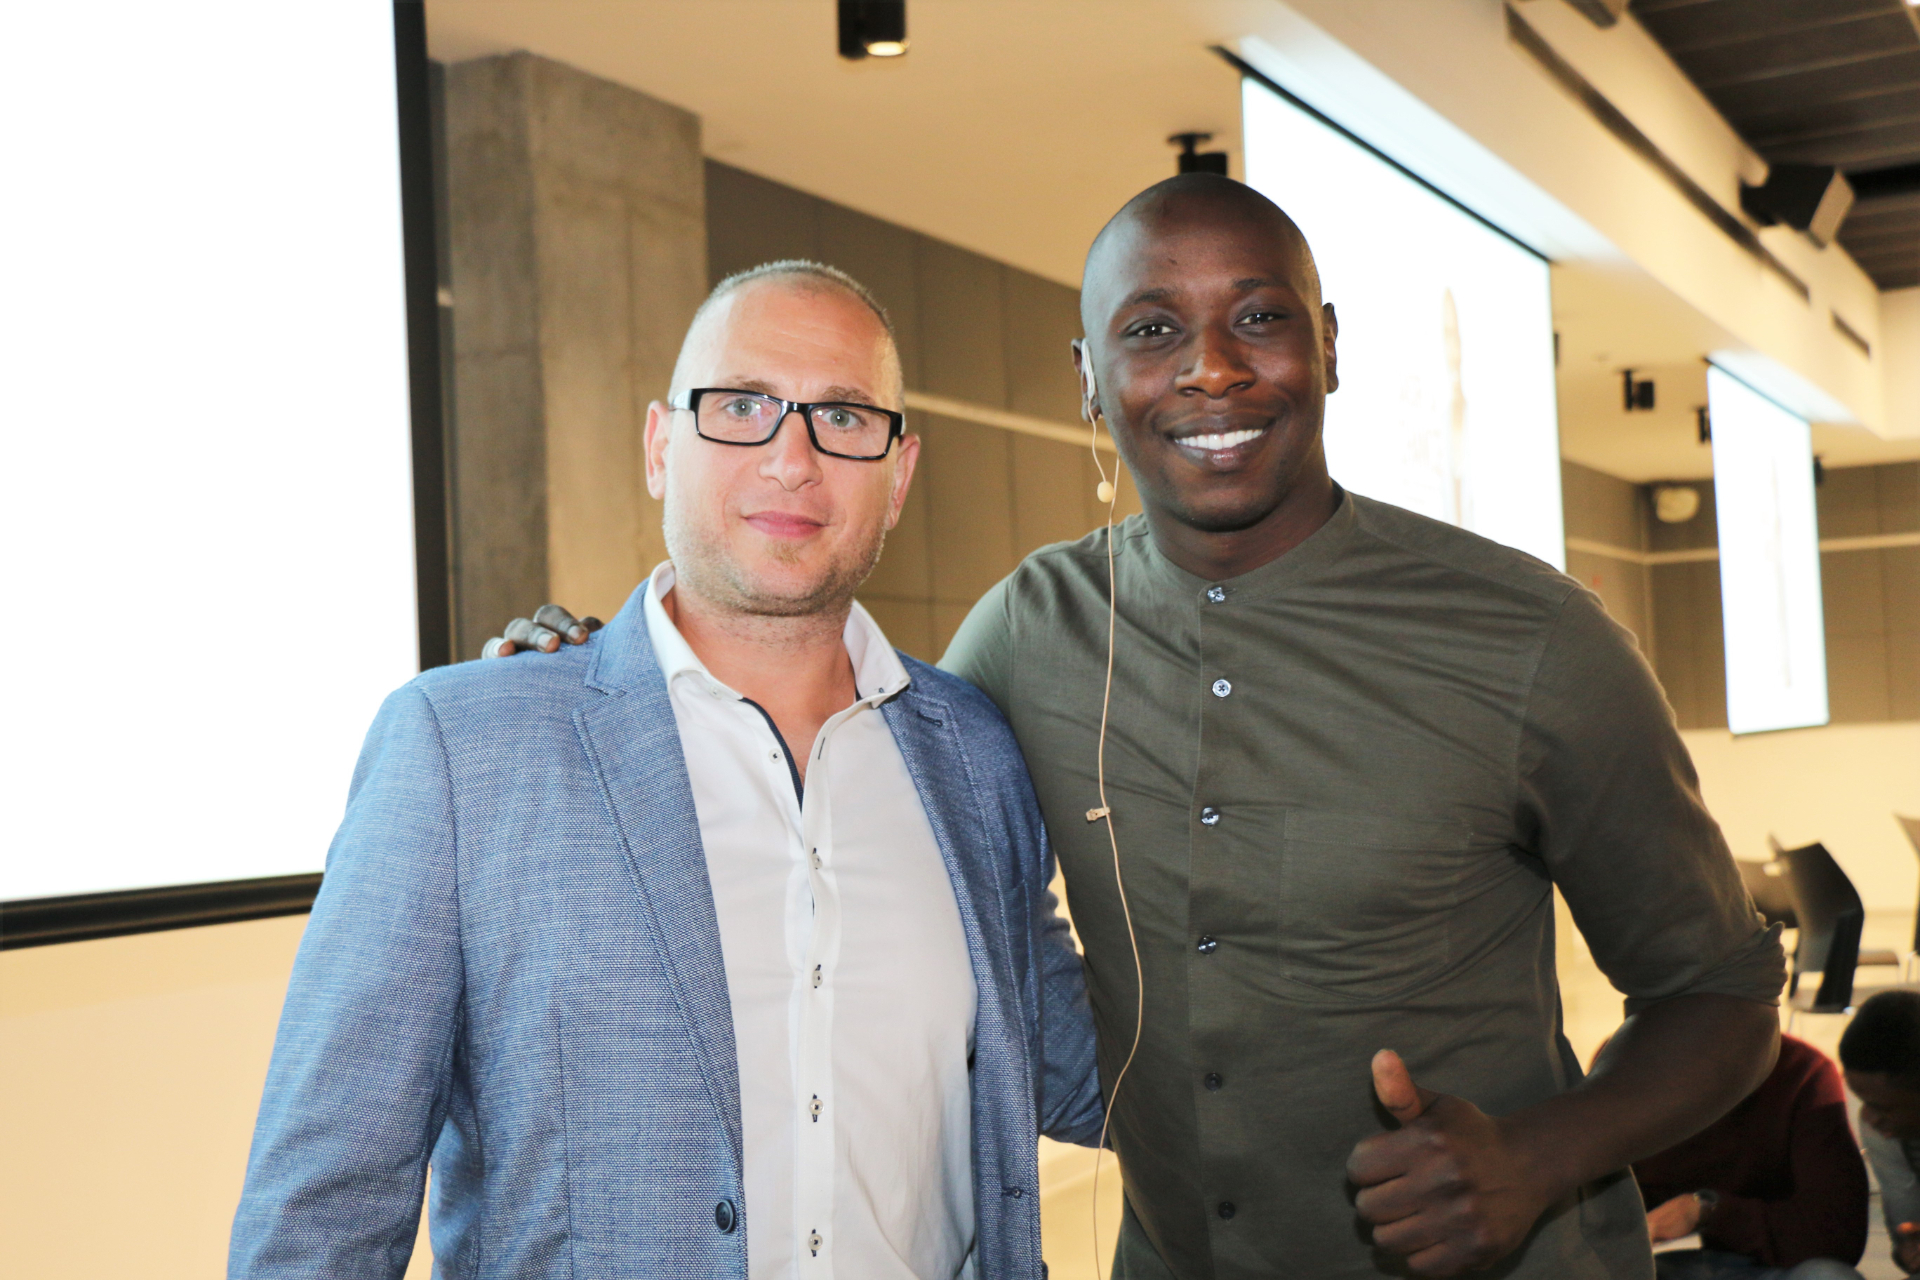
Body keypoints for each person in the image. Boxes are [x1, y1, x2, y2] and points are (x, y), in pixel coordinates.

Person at [495, 175, 1786, 1279]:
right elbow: (837, 748)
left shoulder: (1532, 640)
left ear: (1330, 344)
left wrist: (1539, 1154)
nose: (1211, 367)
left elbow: (1724, 994)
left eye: (1260, 317)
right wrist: (601, 675)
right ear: (1089, 379)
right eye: (1154, 328)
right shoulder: (1033, 628)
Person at [229, 261, 1104, 1280]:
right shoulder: (463, 751)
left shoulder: (976, 755)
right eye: (742, 405)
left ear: (899, 474)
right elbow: (323, 1209)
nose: (792, 459)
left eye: (843, 416)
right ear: (659, 446)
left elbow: (1082, 1066)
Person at [1631, 1034, 1866, 1279]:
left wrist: (1707, 1211)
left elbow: (1835, 1237)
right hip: (1662, 1266)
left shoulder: (1801, 1071)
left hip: (1773, 1265)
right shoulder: (1626, 1066)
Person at [1840, 990, 1920, 1277]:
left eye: (1882, 1108)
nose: (1870, 1120)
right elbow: (1906, 1228)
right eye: (1863, 1102)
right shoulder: (1884, 1135)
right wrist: (1909, 1247)